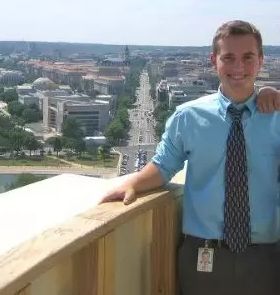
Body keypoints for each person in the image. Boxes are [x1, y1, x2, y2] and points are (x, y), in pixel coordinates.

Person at [100, 20, 280, 295]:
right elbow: (163, 165)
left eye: (248, 57)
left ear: (261, 61)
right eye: (228, 57)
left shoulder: (276, 116)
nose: (238, 67)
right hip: (203, 255)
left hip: (265, 257)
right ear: (214, 60)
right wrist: (132, 184)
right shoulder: (188, 117)